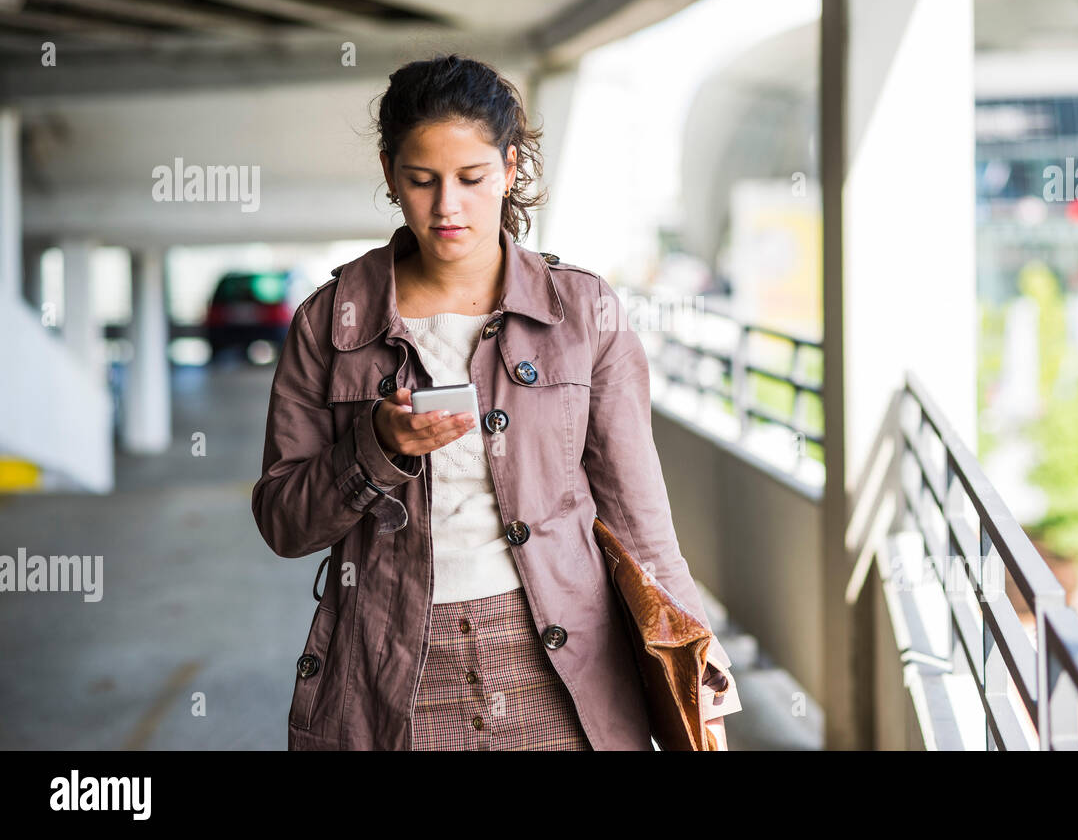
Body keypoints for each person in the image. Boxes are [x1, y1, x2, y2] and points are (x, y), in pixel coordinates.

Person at [251, 53, 738, 750]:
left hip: (564, 666)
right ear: (390, 174)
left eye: (472, 178)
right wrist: (377, 450)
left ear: (510, 169)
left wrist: (700, 676)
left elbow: (640, 518)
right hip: (391, 677)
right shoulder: (331, 321)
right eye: (422, 180)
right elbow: (283, 520)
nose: (447, 206)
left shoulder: (583, 310)